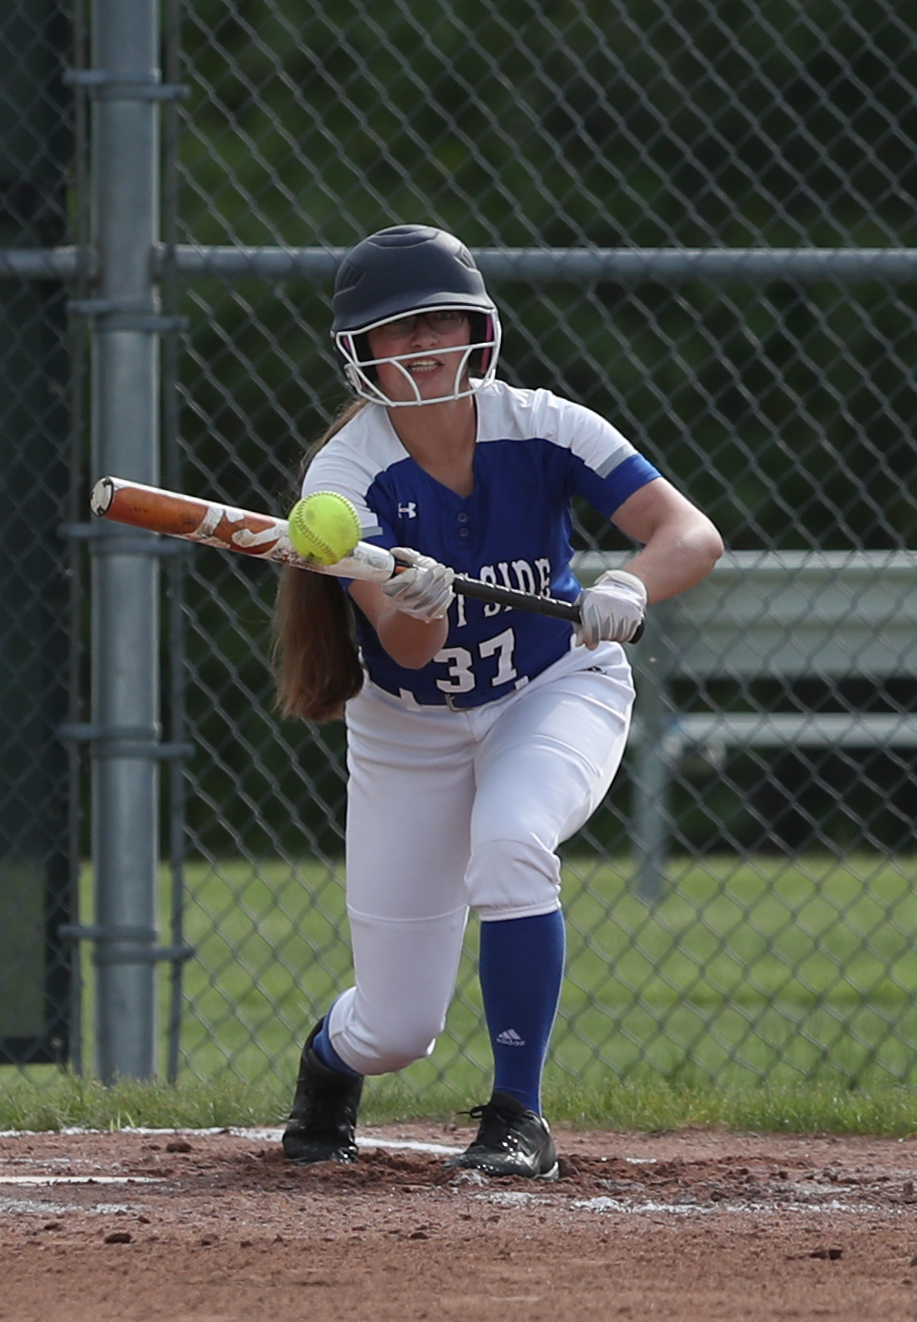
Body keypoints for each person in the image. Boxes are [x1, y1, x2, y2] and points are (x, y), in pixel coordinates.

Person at [272, 223, 722, 1178]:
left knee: (514, 837)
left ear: (478, 331)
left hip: (552, 687)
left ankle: (517, 1115)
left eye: (440, 322)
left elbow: (687, 532)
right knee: (396, 1029)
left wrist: (632, 583)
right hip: (408, 727)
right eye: (396, 332)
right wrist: (413, 598)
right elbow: (405, 650)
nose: (423, 346)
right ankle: (328, 1066)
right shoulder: (345, 480)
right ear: (360, 354)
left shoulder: (542, 422)